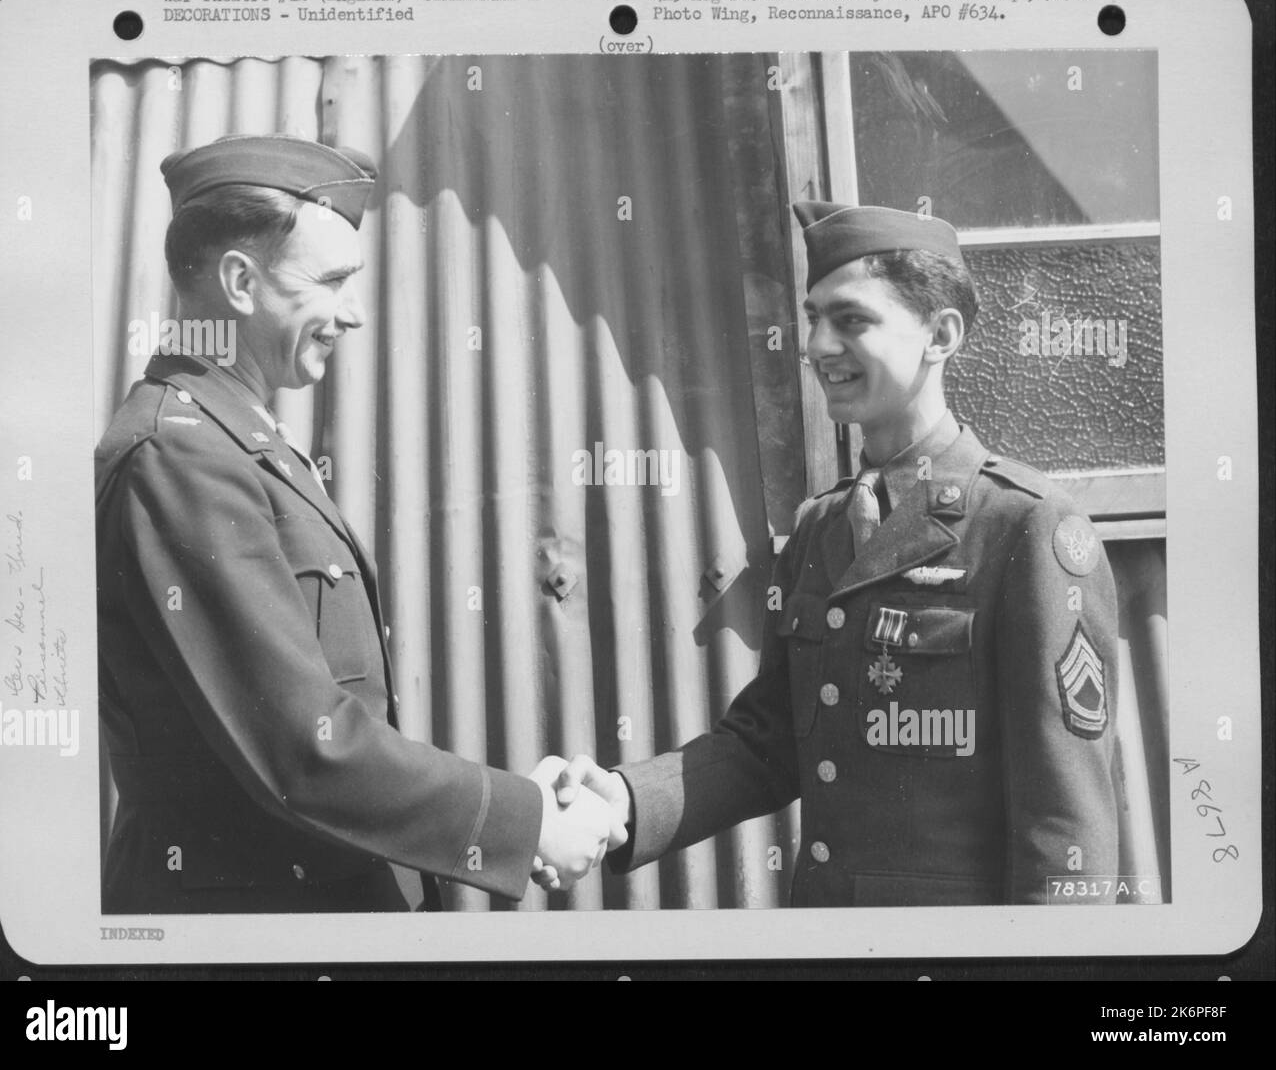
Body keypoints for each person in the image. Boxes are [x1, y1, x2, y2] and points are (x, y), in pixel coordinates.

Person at [96, 134, 620, 914]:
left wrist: (507, 810)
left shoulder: (236, 437)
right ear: (240, 281)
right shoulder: (179, 455)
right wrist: (525, 821)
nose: (355, 314)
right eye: (333, 281)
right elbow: (306, 750)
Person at [546, 202, 1121, 905]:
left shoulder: (1027, 529)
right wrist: (623, 802)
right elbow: (769, 739)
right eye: (813, 317)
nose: (817, 343)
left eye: (851, 320)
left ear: (940, 333)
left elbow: (1066, 826)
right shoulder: (822, 527)